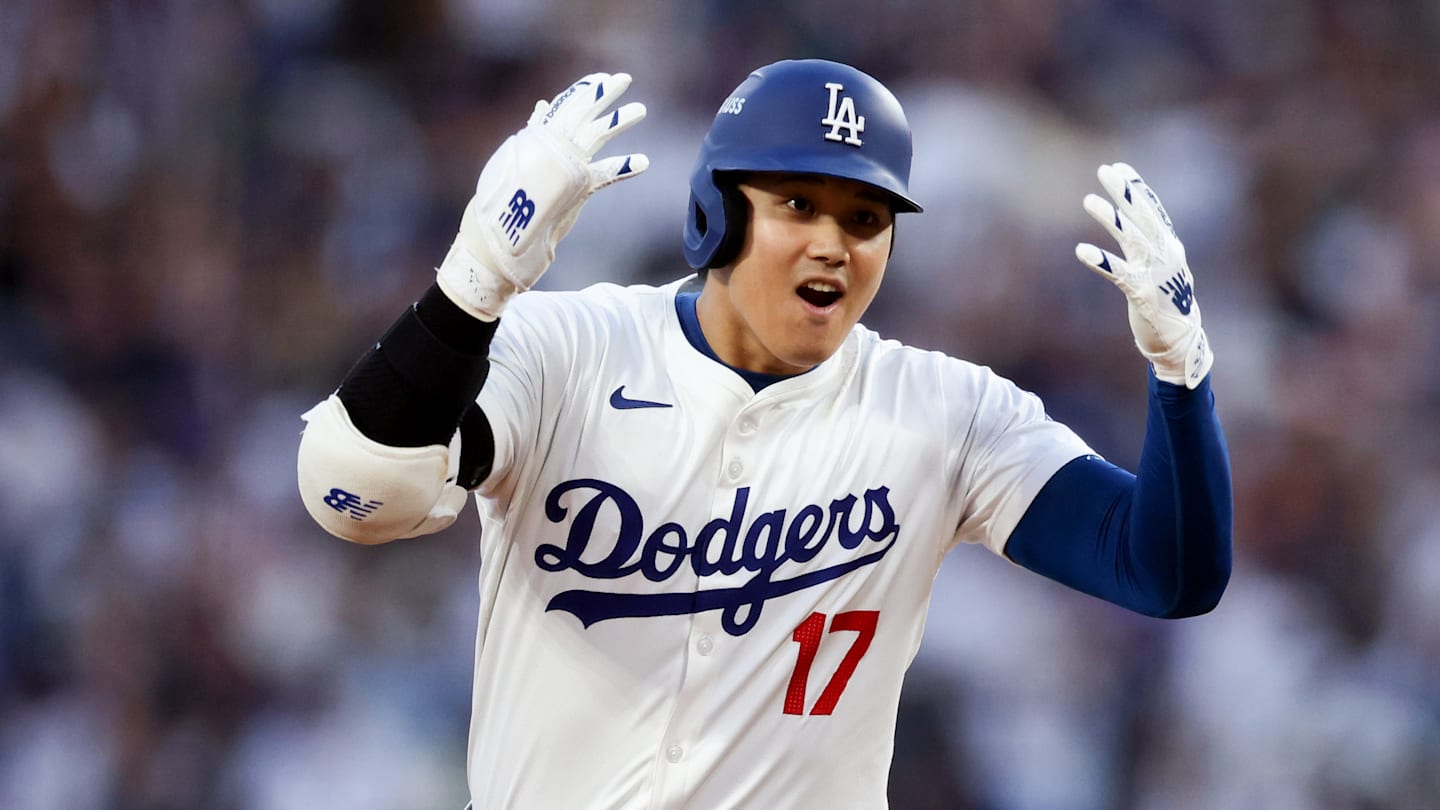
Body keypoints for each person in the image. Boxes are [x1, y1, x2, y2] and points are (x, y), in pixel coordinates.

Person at [297, 59, 1232, 809]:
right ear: (716, 212)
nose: (835, 242)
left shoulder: (948, 412)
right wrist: (472, 286)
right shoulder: (570, 349)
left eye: (866, 218)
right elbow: (357, 492)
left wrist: (1180, 377)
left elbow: (1168, 572)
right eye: (799, 205)